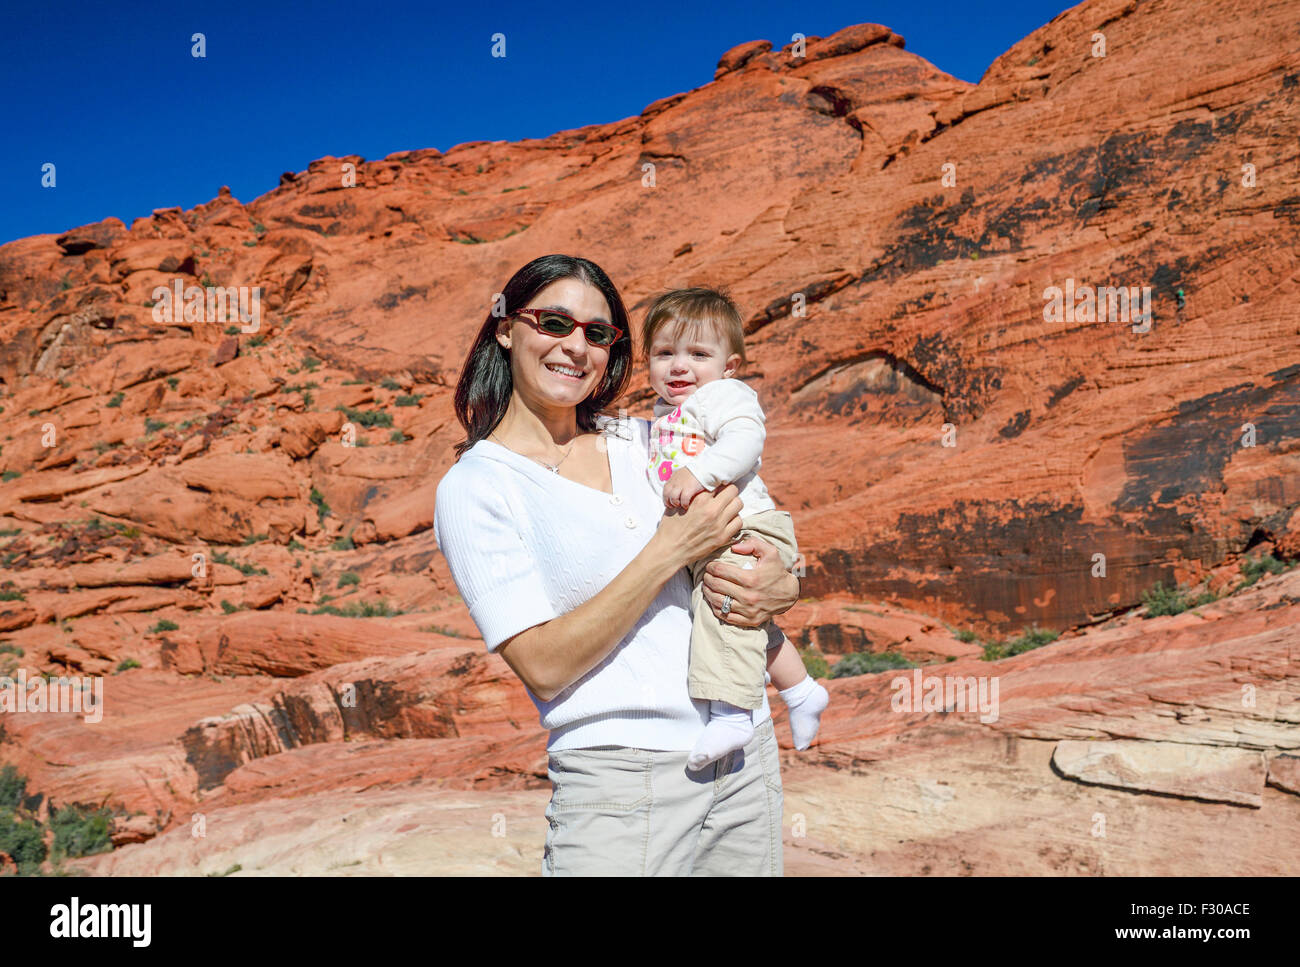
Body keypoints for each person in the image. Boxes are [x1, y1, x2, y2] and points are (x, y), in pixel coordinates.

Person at [433, 254, 801, 875]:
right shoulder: (477, 487)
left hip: (743, 754)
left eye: (597, 333)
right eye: (554, 323)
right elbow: (544, 666)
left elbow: (748, 527)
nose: (575, 347)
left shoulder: (645, 441)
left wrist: (781, 582)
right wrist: (667, 551)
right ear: (504, 329)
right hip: (618, 778)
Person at [642, 287, 829, 771]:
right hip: (719, 532)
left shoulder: (725, 395)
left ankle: (732, 713)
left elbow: (747, 441)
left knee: (723, 609)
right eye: (664, 353)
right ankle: (802, 691)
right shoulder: (665, 415)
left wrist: (699, 474)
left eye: (698, 354)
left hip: (749, 525)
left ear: (730, 366)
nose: (679, 366)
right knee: (749, 622)